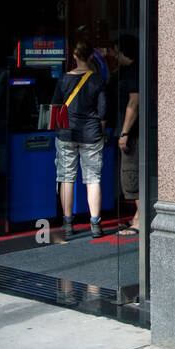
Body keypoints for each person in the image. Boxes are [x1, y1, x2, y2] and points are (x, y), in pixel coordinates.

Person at [55, 41, 107, 238]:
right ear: (91, 57)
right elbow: (102, 112)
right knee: (93, 179)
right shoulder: (97, 80)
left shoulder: (63, 79)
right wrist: (100, 132)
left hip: (66, 133)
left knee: (66, 177)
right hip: (91, 134)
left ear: (74, 57)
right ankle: (95, 224)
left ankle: (68, 224)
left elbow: (55, 107)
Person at [115, 36, 142, 237]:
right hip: (135, 132)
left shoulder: (132, 73)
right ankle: (137, 217)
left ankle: (140, 220)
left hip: (134, 134)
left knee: (132, 174)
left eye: (117, 52)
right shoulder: (134, 70)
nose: (115, 56)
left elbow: (134, 103)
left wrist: (124, 132)